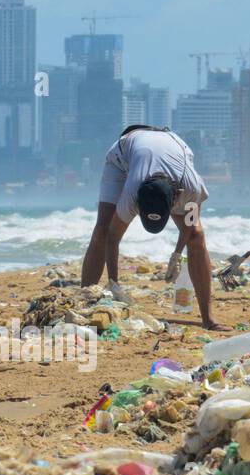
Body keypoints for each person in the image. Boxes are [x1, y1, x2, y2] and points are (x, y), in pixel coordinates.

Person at [80, 125, 224, 330]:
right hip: (123, 157)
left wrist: (176, 255)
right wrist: (114, 285)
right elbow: (113, 236)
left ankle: (209, 318)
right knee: (102, 229)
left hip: (176, 155)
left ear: (176, 201)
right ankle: (85, 303)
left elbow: (191, 226)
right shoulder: (131, 193)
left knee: (197, 237)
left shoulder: (191, 189)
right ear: (138, 203)